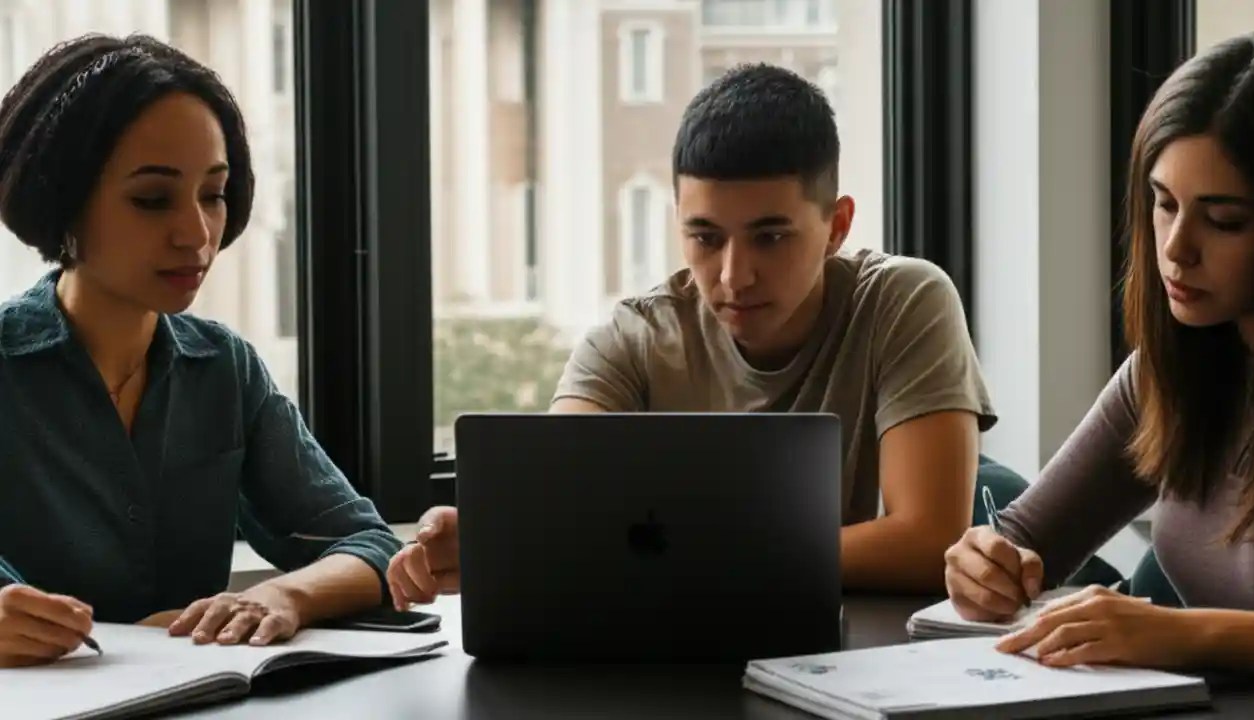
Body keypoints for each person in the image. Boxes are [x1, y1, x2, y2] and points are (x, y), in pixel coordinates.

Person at [388, 63, 997, 610]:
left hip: (840, 652)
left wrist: (682, 559)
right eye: (705, 237)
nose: (734, 276)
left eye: (771, 237)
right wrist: (494, 539)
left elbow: (927, 542)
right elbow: (556, 519)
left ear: (836, 226)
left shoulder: (904, 300)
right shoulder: (631, 338)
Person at [0, 34, 399, 668]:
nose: (197, 233)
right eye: (152, 199)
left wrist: (282, 596)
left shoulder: (224, 367)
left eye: (213, 193)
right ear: (63, 204)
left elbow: (367, 543)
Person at [944, 31, 1254, 673]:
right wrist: (986, 564)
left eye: (1224, 220)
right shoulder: (1168, 375)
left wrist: (1182, 634)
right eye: (1164, 204)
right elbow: (1024, 538)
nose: (1176, 248)